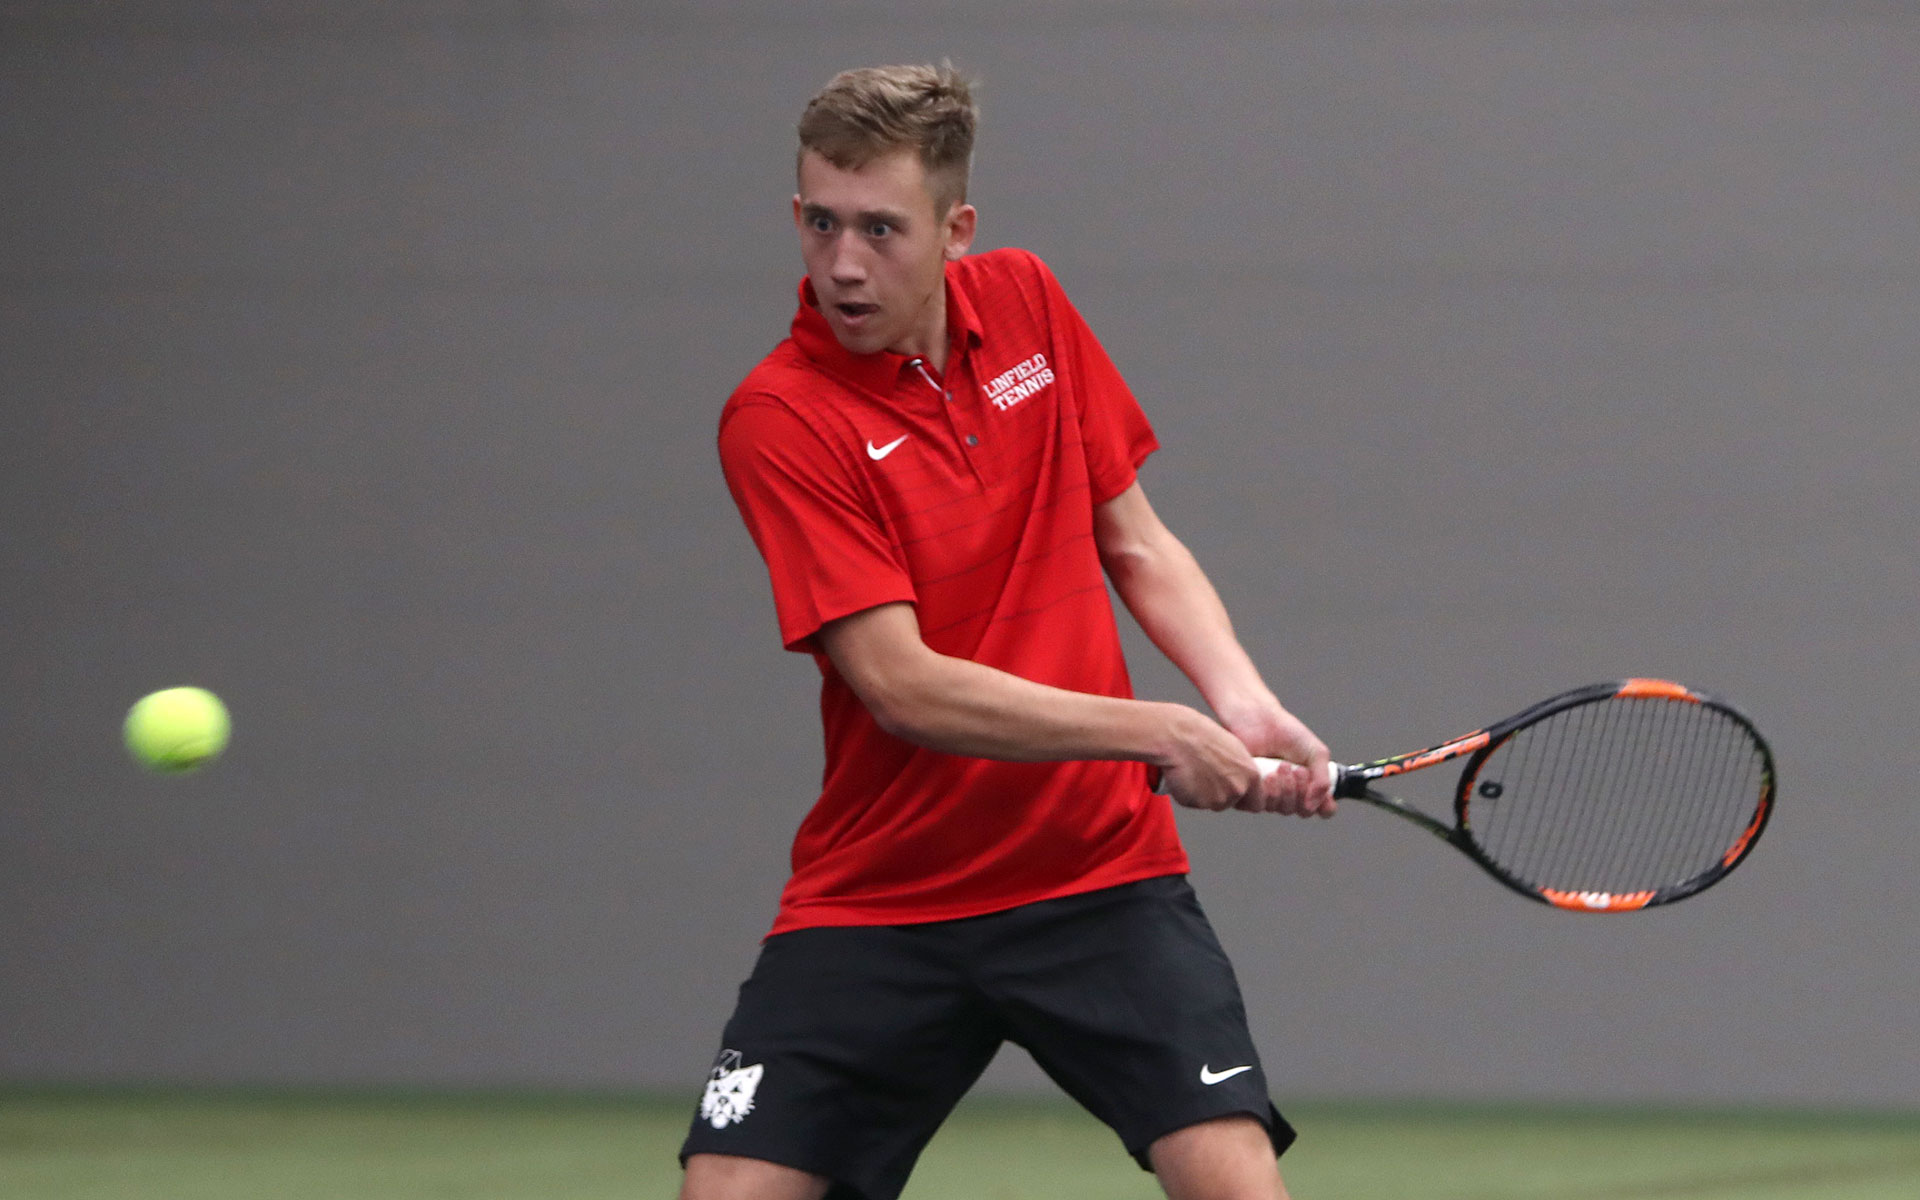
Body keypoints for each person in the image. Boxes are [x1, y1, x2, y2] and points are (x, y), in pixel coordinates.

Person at [681, 63, 1337, 1200]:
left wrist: (1239, 700)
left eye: (882, 229)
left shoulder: (1028, 299)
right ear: (796, 216)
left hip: (1098, 878)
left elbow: (1134, 540)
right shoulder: (779, 419)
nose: (843, 262)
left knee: (1237, 1187)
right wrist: (1161, 734)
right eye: (821, 223)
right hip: (884, 896)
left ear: (956, 229)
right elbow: (904, 687)